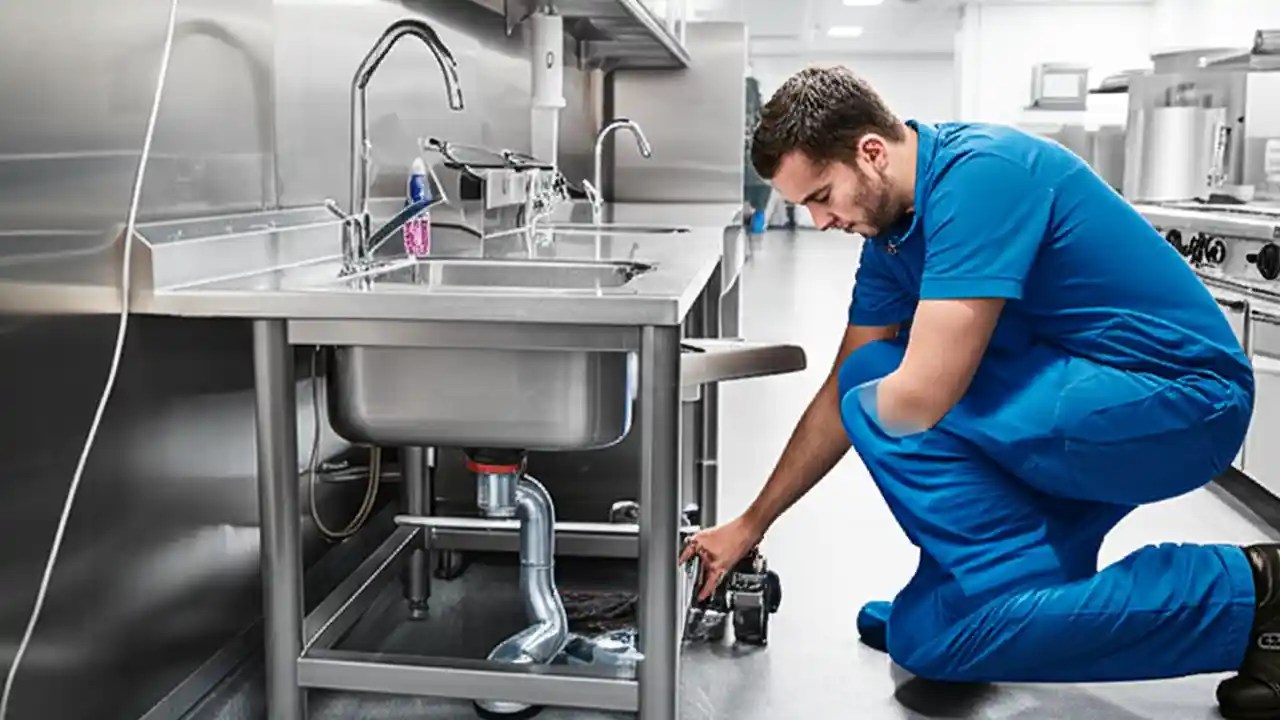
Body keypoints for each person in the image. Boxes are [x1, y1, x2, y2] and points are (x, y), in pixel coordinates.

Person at [680, 65, 1273, 719]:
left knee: (879, 392)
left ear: (870, 153)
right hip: (1068, 403)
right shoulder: (891, 239)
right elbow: (846, 382)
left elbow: (924, 394)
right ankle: (1015, 583)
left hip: (1180, 398)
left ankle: (1252, 594)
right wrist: (751, 522)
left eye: (822, 195)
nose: (820, 220)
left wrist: (875, 416)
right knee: (931, 641)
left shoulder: (981, 175)